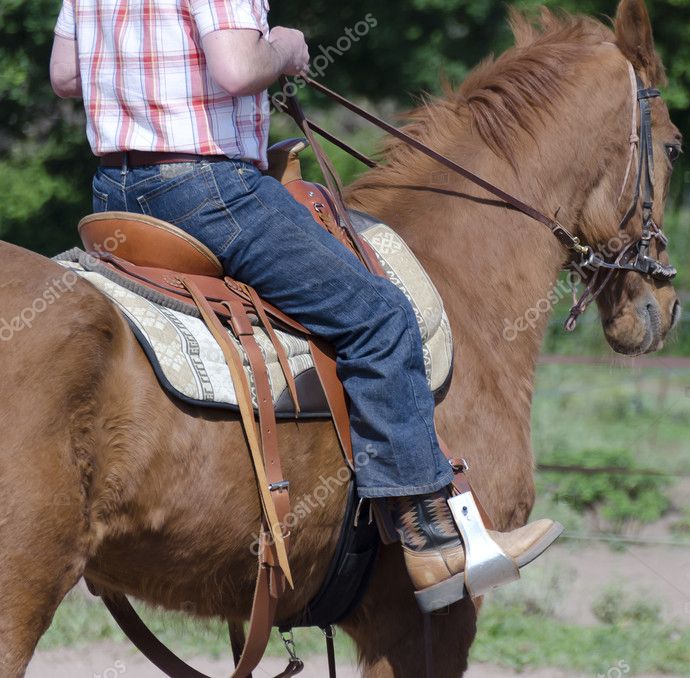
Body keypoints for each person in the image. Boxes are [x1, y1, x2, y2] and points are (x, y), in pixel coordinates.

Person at [49, 0, 560, 612]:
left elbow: (65, 76)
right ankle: (432, 537)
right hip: (209, 192)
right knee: (379, 316)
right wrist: (285, 49)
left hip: (115, 190)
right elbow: (237, 68)